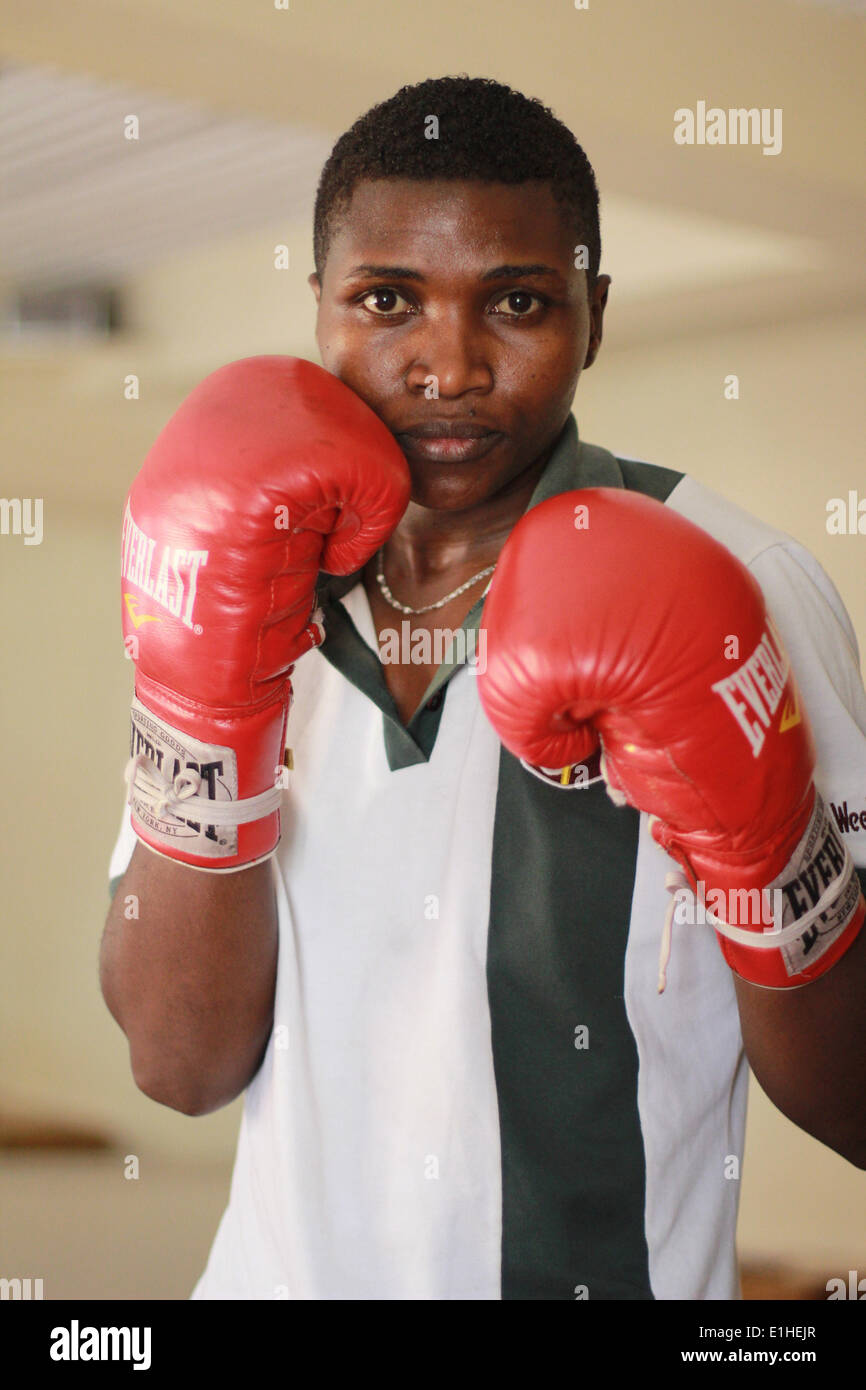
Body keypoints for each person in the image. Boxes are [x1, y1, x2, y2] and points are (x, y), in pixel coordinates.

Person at [101, 76, 866, 1301]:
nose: (446, 368)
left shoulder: (746, 583)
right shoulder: (238, 566)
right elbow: (178, 1064)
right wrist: (199, 708)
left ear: (592, 314)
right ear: (319, 307)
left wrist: (767, 852)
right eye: (386, 300)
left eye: (514, 302)